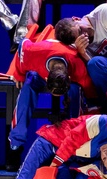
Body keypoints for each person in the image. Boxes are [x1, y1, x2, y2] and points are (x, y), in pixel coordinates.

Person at [6, 30, 97, 162]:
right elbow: (22, 45)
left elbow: (91, 92)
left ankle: (71, 144)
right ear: (46, 78)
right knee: (29, 83)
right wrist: (19, 74)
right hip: (43, 60)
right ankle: (15, 145)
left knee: (76, 91)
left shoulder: (77, 66)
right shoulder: (35, 52)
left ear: (70, 78)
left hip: (68, 71)